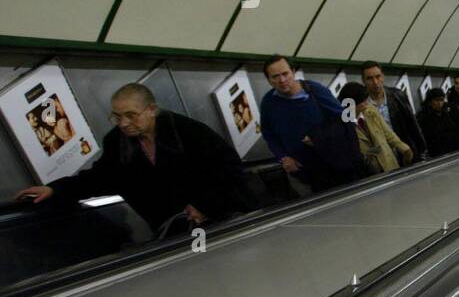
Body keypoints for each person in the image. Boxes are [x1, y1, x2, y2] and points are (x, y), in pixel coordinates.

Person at [14, 83, 255, 237]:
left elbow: (229, 170)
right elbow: (100, 178)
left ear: (151, 110)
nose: (124, 123)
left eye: (131, 115)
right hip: (171, 230)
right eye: (117, 116)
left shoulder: (189, 132)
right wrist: (55, 189)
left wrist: (205, 204)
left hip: (220, 221)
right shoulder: (117, 142)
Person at [259, 55, 362, 192]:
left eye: (285, 74)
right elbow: (268, 133)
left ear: (293, 72)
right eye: (275, 76)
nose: (282, 80)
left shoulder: (314, 91)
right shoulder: (269, 102)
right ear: (269, 80)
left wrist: (319, 138)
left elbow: (344, 121)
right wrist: (283, 157)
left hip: (334, 165)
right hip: (302, 172)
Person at [339, 82, 413, 175]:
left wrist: (404, 148)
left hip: (388, 163)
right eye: (362, 102)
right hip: (368, 172)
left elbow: (387, 133)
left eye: (366, 100)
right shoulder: (342, 124)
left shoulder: (371, 111)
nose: (366, 104)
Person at [361, 61, 425, 159]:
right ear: (363, 81)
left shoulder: (398, 96)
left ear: (383, 76)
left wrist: (421, 151)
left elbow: (412, 124)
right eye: (369, 78)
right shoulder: (361, 103)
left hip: (404, 150)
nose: (375, 82)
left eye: (378, 77)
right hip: (381, 156)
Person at [418, 87, 459, 157]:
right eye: (436, 100)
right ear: (430, 102)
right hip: (437, 152)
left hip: (456, 148)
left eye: (442, 100)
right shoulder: (423, 117)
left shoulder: (451, 110)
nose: (440, 103)